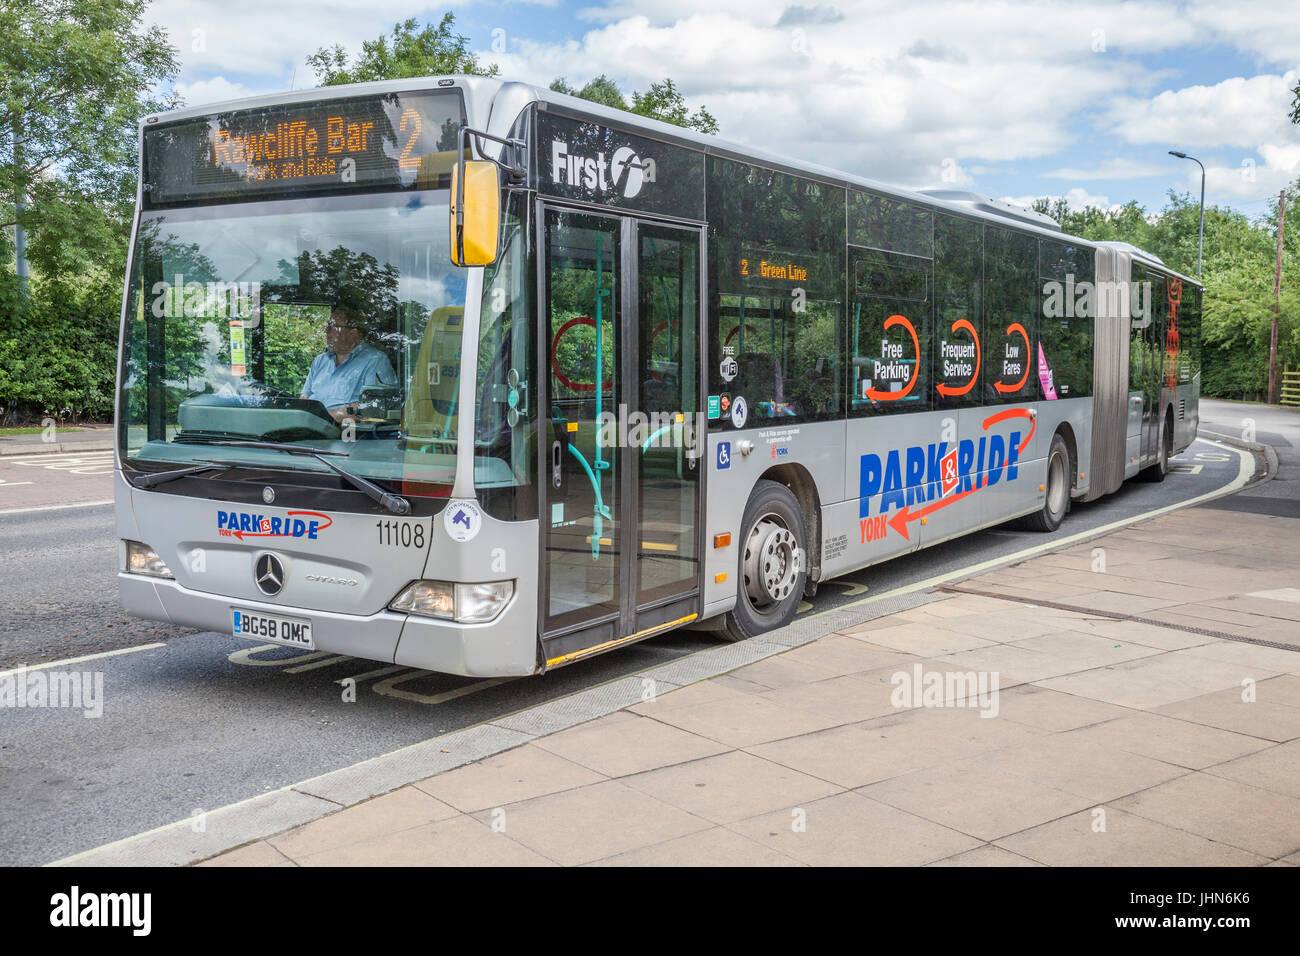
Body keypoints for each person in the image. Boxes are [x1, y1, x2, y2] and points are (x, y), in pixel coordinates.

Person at [300, 305, 398, 422]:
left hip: (349, 435)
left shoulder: (375, 360)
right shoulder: (320, 361)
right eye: (327, 326)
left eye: (333, 327)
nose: (326, 331)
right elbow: (304, 398)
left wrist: (323, 417)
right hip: (309, 431)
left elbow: (375, 408)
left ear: (353, 333)